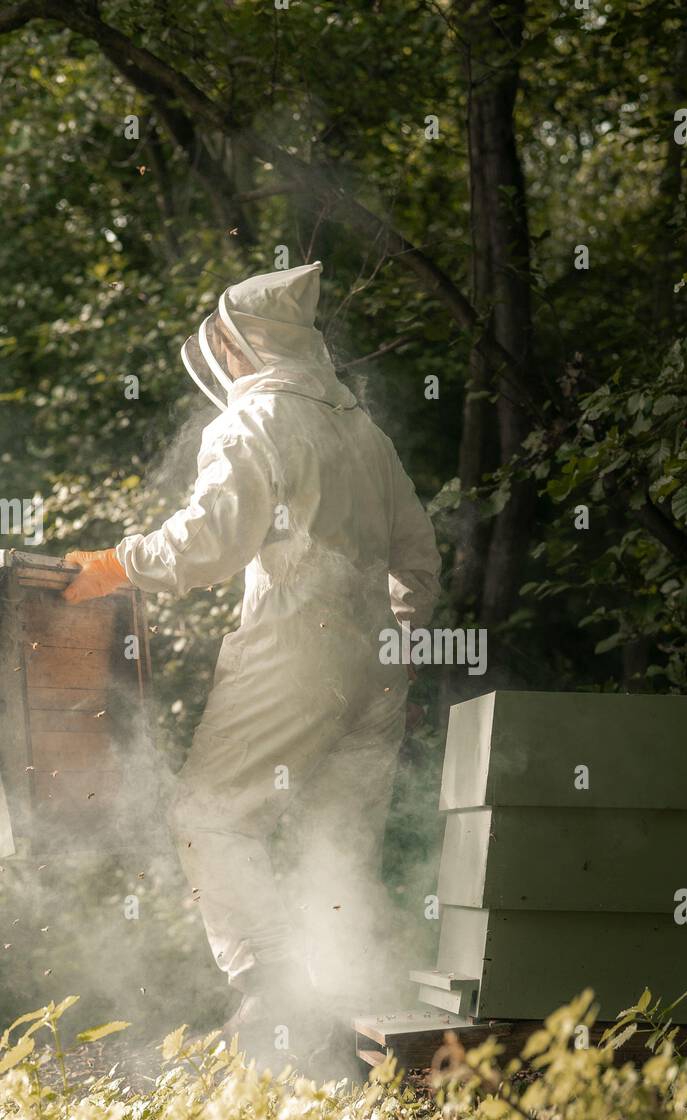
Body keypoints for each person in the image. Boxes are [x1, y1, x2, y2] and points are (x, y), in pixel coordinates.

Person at [63, 263, 441, 1076]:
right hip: (376, 661)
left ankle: (278, 1002)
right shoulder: (364, 434)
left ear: (241, 346)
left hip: (296, 641)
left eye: (226, 349)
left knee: (211, 812)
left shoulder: (255, 423)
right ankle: (355, 1049)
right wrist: (405, 647)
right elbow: (419, 555)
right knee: (336, 848)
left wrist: (116, 562)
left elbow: (209, 545)